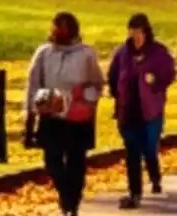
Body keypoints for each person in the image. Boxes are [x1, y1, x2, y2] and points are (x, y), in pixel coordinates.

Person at [24, 12, 105, 216]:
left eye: (63, 27)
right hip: (52, 116)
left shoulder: (87, 54)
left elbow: (97, 83)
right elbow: (33, 84)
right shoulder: (44, 53)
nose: (58, 31)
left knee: (76, 160)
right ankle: (64, 192)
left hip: (78, 116)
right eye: (56, 27)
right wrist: (32, 112)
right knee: (52, 160)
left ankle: (73, 201)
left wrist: (85, 97)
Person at [108, 13, 176, 209]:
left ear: (146, 32)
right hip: (128, 111)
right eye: (132, 32)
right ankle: (135, 193)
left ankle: (155, 176)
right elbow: (113, 77)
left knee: (149, 149)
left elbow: (169, 74)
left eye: (139, 32)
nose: (135, 36)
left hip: (151, 111)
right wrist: (117, 95)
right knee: (132, 153)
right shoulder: (122, 54)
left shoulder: (159, 52)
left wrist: (155, 81)